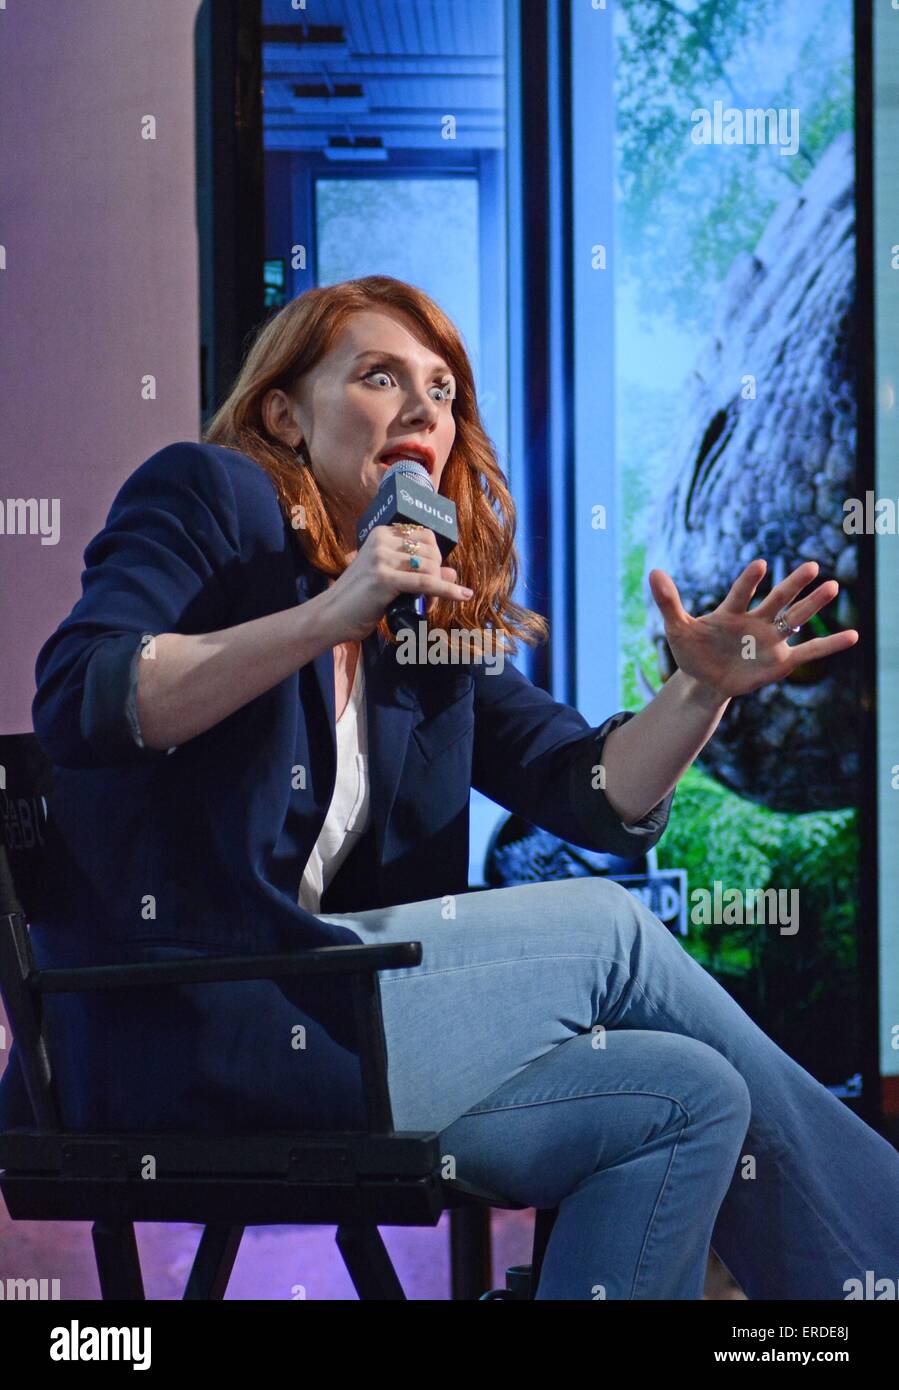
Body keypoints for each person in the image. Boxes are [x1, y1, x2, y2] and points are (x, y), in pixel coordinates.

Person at [2, 274, 896, 1300]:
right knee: (605, 931)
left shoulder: (418, 630)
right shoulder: (211, 496)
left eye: (444, 390)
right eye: (379, 376)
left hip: (336, 1035)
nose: (427, 408)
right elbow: (81, 693)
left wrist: (697, 692)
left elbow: (591, 790)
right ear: (284, 412)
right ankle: (876, 1276)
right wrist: (324, 615)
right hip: (177, 1030)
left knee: (686, 1097)